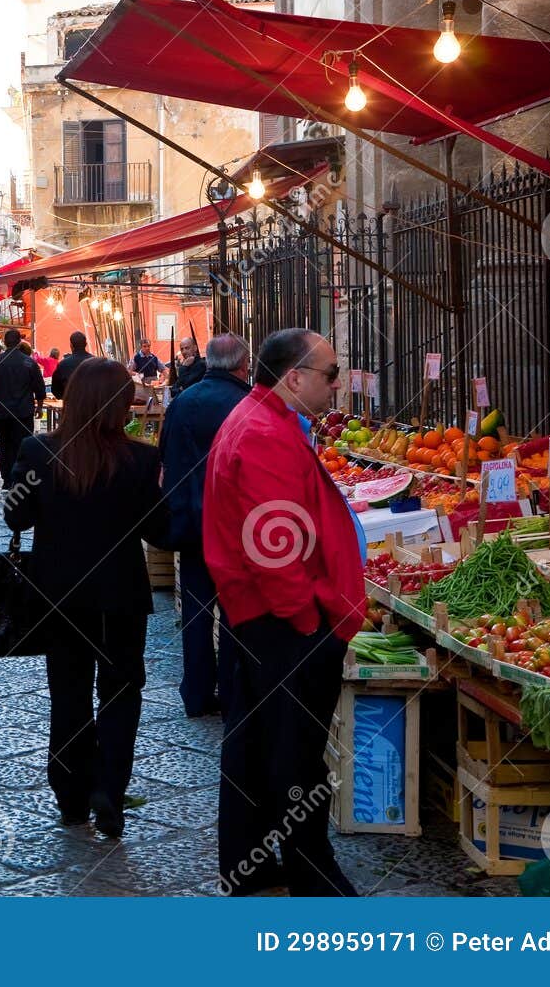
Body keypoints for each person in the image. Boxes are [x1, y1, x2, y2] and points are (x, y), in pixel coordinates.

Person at [204, 329, 362, 896]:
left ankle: (246, 863)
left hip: (260, 616)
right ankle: (311, 873)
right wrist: (304, 618)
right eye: (330, 372)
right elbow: (272, 547)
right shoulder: (266, 432)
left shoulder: (256, 419)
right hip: (280, 622)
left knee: (255, 744)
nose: (337, 384)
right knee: (294, 753)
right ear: (294, 378)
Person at [4, 359, 170, 835]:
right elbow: (160, 531)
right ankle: (109, 791)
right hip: (120, 595)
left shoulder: (39, 452)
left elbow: (16, 519)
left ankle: (71, 794)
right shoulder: (141, 460)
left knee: (68, 695)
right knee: (121, 693)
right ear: (118, 406)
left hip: (59, 596)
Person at [158, 333, 251, 717]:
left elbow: (165, 457)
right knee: (234, 610)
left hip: (191, 524)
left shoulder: (182, 402)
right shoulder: (248, 404)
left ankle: (196, 692)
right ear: (244, 365)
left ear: (207, 362)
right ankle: (231, 692)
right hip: (235, 528)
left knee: (196, 612)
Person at [0, 328, 43, 489]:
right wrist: (39, 406)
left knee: (4, 445)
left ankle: (7, 479)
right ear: (19, 342)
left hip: (2, 412)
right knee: (23, 444)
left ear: (4, 342)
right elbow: (39, 386)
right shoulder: (29, 362)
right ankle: (21, 478)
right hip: (23, 412)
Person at [51, 331, 92, 400]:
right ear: (86, 344)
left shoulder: (63, 364)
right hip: (93, 407)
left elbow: (55, 390)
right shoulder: (96, 362)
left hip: (71, 406)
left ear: (71, 345)